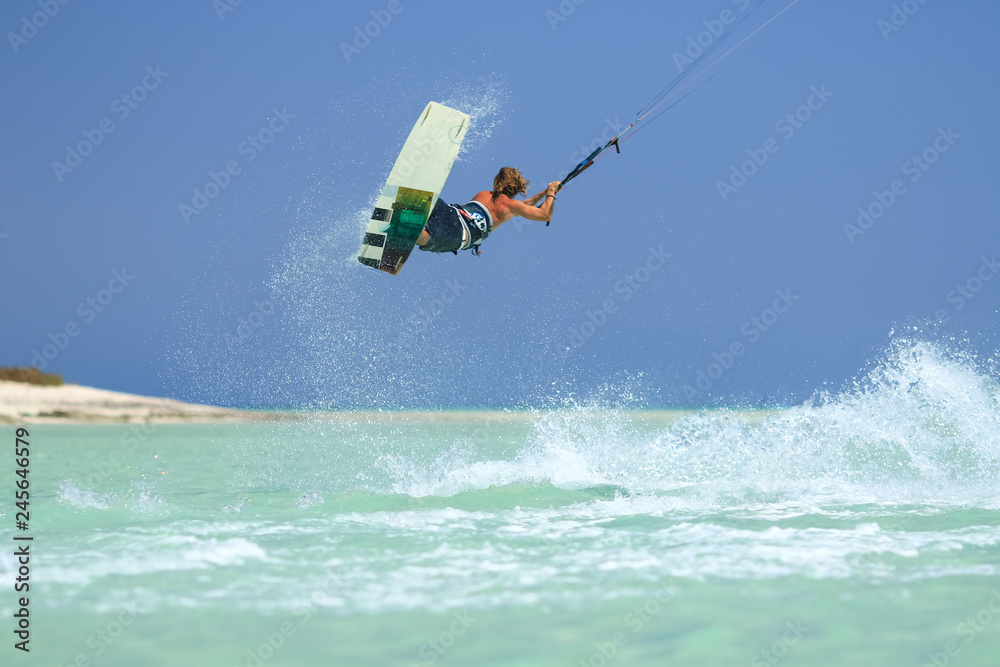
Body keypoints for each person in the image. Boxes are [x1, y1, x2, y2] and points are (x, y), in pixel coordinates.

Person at [416, 167, 560, 255]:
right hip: (460, 236)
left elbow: (524, 205)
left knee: (426, 199)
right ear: (518, 188)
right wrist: (551, 192)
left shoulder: (484, 194)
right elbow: (545, 215)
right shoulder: (511, 206)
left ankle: (404, 213)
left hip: (451, 214)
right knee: (430, 238)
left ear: (498, 181)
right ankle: (415, 234)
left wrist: (545, 193)